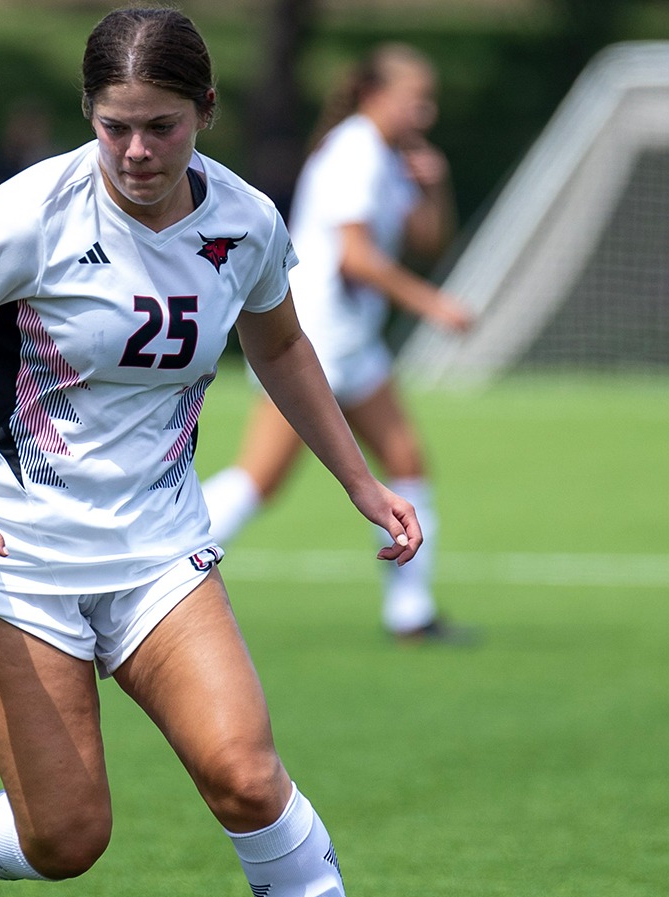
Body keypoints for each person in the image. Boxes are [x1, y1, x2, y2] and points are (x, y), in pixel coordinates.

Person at [0, 9, 431, 897]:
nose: (135, 151)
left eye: (161, 128)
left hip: (160, 553)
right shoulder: (35, 208)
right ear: (91, 114)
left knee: (247, 777)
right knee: (70, 837)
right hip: (9, 560)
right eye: (116, 125)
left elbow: (284, 347)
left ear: (204, 114)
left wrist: (361, 481)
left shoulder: (247, 221)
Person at [200, 43, 474, 643]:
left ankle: (411, 612)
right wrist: (433, 304)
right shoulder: (355, 152)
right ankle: (161, 562)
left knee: (404, 461)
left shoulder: (387, 154)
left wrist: (434, 187)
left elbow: (427, 239)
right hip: (313, 339)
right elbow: (355, 258)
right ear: (377, 97)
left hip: (351, 341)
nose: (424, 114)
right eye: (415, 102)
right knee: (259, 479)